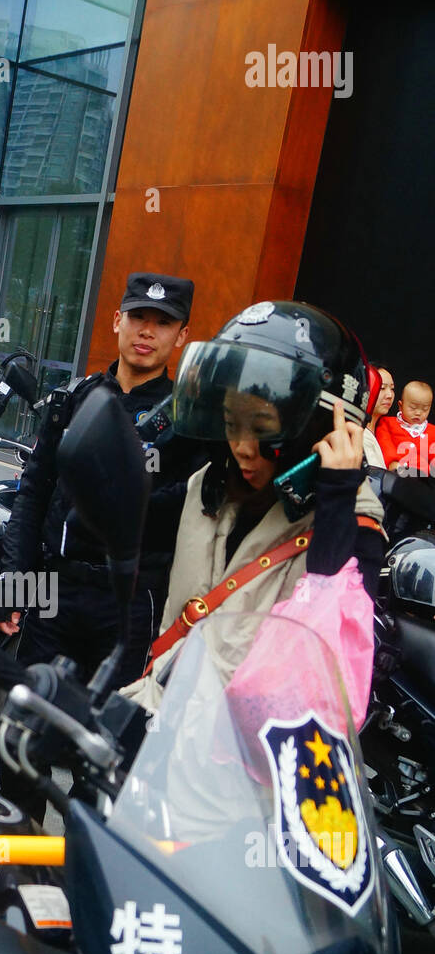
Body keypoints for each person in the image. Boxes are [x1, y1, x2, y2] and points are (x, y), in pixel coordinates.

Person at [0, 271, 201, 821]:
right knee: (24, 728)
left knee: (110, 749)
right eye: (138, 318)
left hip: (131, 603)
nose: (147, 332)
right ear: (117, 321)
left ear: (181, 336)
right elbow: (32, 495)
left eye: (163, 324)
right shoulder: (74, 400)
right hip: (55, 594)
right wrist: (15, 585)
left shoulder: (188, 423)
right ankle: (16, 861)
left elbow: (191, 513)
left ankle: (86, 868)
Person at [122, 300, 386, 718]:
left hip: (246, 760)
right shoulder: (210, 488)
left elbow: (329, 644)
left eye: (263, 429)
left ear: (321, 428)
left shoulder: (352, 522)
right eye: (230, 423)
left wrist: (336, 499)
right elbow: (130, 530)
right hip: (161, 726)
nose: (242, 448)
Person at [375, 380, 435, 474]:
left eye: (425, 409)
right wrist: (393, 462)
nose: (418, 413)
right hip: (397, 473)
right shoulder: (388, 423)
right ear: (400, 405)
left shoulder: (432, 431)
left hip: (424, 479)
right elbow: (385, 443)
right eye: (413, 408)